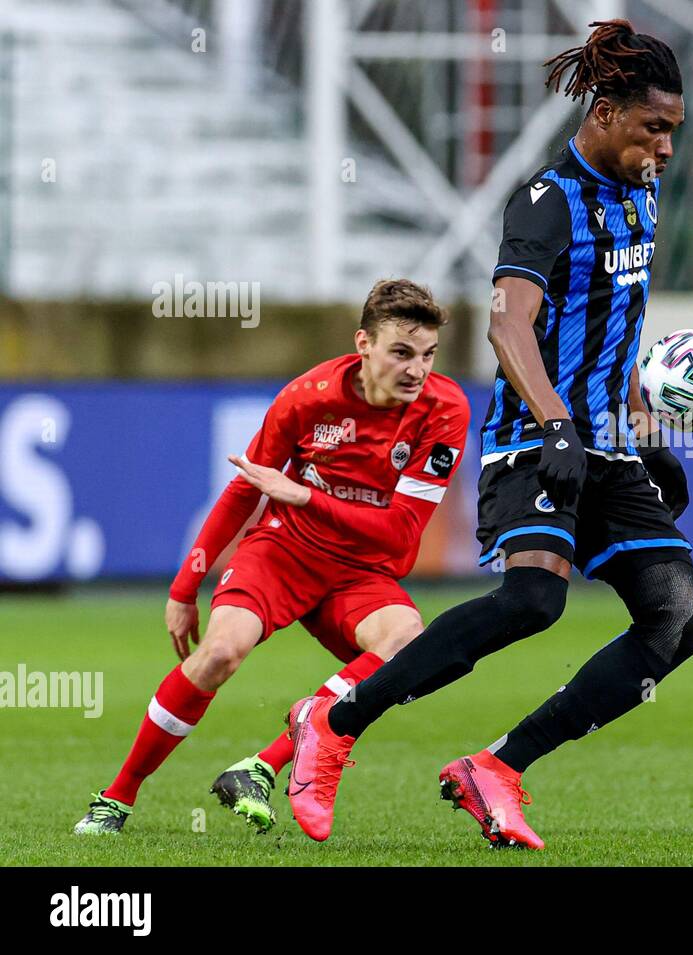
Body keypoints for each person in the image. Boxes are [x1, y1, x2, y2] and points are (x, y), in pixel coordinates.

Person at [285, 19, 693, 849]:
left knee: (678, 619)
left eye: (673, 132)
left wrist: (642, 428)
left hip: (605, 443)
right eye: (653, 128)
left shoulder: (643, 194)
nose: (664, 148)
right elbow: (509, 323)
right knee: (533, 600)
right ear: (607, 112)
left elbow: (612, 324)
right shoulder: (546, 202)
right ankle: (335, 723)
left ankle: (499, 766)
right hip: (533, 438)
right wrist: (555, 426)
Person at [72, 279, 470, 835]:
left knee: (408, 641)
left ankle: (263, 764)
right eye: (401, 353)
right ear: (363, 344)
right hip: (285, 551)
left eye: (428, 355)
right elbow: (244, 490)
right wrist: (184, 590)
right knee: (218, 655)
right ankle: (116, 798)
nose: (416, 369)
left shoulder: (444, 409)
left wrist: (308, 496)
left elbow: (401, 536)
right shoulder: (308, 396)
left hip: (360, 569)